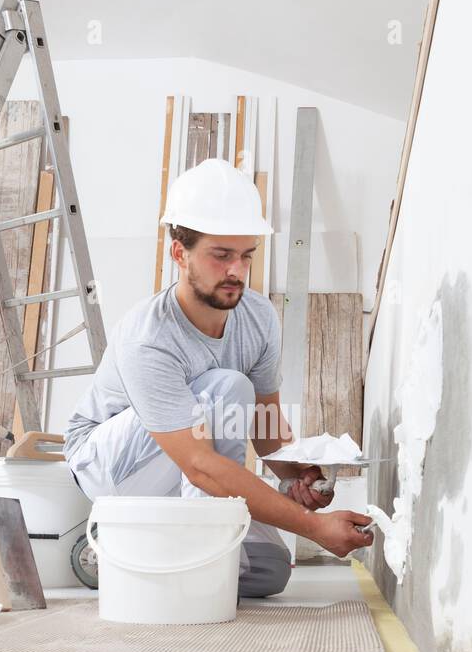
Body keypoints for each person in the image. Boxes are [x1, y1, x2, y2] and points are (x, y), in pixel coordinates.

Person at [64, 158, 374, 596]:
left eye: (246, 256)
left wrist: (296, 477)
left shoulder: (259, 318)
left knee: (268, 573)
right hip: (108, 466)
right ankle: (164, 545)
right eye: (221, 256)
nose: (236, 271)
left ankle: (158, 550)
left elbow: (267, 431)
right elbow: (200, 466)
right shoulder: (148, 336)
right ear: (179, 253)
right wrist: (313, 527)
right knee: (227, 387)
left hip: (192, 464)